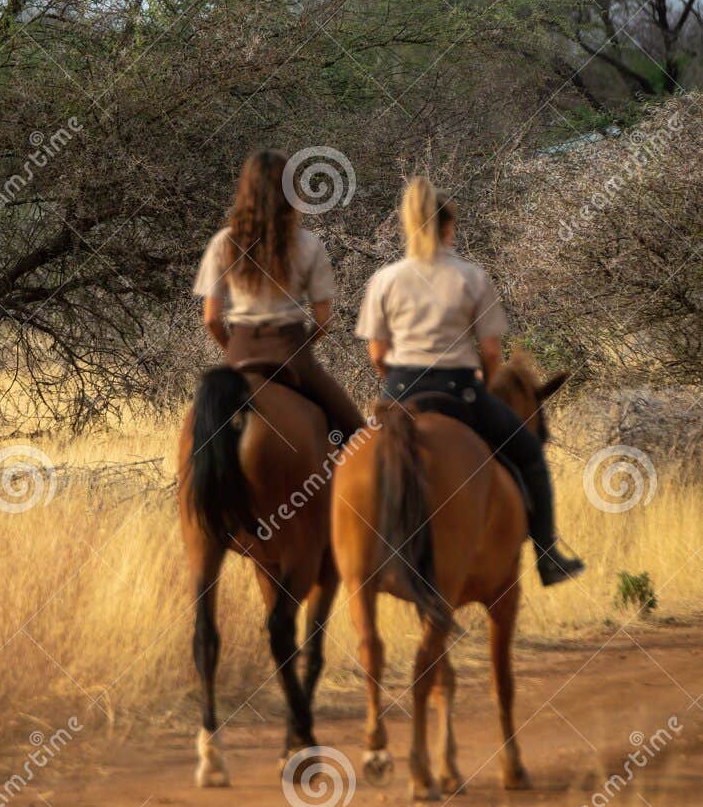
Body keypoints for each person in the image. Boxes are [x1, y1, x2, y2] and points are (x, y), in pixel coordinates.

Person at [355, 175, 584, 587]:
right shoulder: (471, 277)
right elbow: (492, 352)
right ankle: (548, 557)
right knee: (530, 454)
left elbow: (376, 354)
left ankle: (345, 557)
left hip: (400, 393)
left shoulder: (385, 279)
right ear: (448, 227)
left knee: (348, 460)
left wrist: (400, 383)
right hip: (460, 391)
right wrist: (483, 384)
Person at [193, 149, 364, 444]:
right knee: (356, 432)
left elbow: (211, 319)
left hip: (241, 348)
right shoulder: (308, 244)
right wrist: (302, 347)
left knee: (199, 432)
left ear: (245, 190)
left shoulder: (223, 243)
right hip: (290, 349)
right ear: (290, 192)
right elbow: (323, 321)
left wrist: (234, 349)